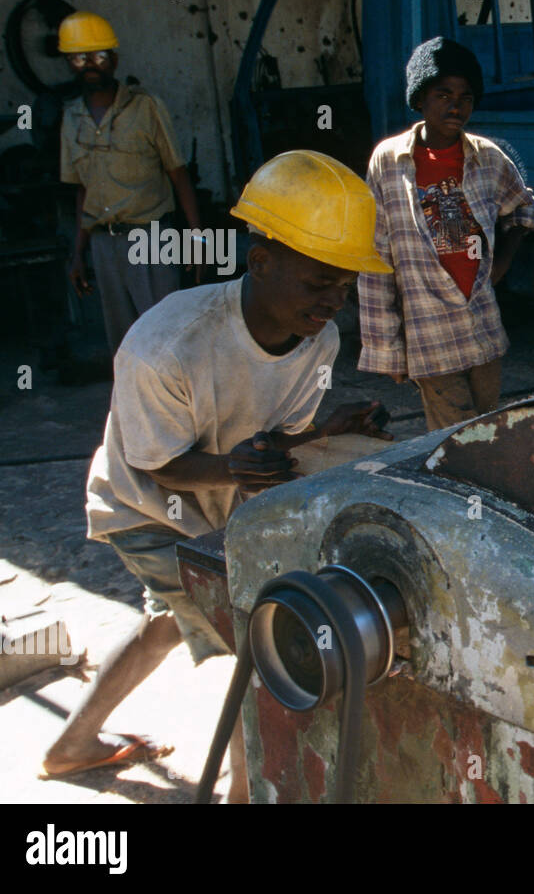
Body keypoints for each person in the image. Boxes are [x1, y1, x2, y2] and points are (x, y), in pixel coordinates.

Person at [41, 150, 395, 800]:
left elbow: (275, 435)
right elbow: (161, 466)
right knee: (251, 639)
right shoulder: (166, 345)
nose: (331, 303)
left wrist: (327, 426)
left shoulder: (318, 339)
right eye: (318, 283)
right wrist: (234, 468)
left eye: (343, 288)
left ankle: (71, 745)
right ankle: (240, 791)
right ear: (261, 262)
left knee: (168, 620)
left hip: (210, 502)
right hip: (145, 506)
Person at [358, 37, 534, 431]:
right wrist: (387, 349)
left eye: (466, 97)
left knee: (486, 429)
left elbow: (523, 208)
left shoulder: (488, 157)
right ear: (420, 99)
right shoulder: (388, 161)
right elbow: (376, 257)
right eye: (443, 95)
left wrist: (499, 267)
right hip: (430, 335)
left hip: (483, 330)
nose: (456, 106)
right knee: (457, 440)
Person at [57, 11, 206, 355]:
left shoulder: (146, 107)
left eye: (98, 57)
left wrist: (199, 239)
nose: (89, 65)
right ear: (69, 63)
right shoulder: (71, 118)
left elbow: (178, 173)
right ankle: (136, 409)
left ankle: (181, 407)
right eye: (79, 58)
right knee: (125, 348)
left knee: (168, 337)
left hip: (150, 238)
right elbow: (82, 190)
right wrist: (77, 253)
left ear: (114, 60)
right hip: (103, 245)